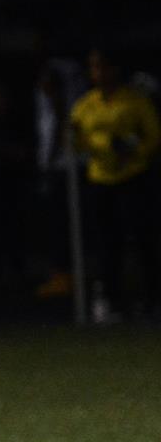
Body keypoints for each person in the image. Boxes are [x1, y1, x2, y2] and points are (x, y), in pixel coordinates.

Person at [68, 48, 161, 322]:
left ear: (115, 69)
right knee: (107, 244)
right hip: (100, 179)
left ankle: (153, 299)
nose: (99, 73)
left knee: (143, 239)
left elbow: (153, 136)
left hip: (133, 178)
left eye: (104, 67)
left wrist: (134, 151)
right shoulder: (85, 104)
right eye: (94, 67)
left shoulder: (134, 100)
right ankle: (110, 301)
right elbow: (77, 140)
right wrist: (103, 144)